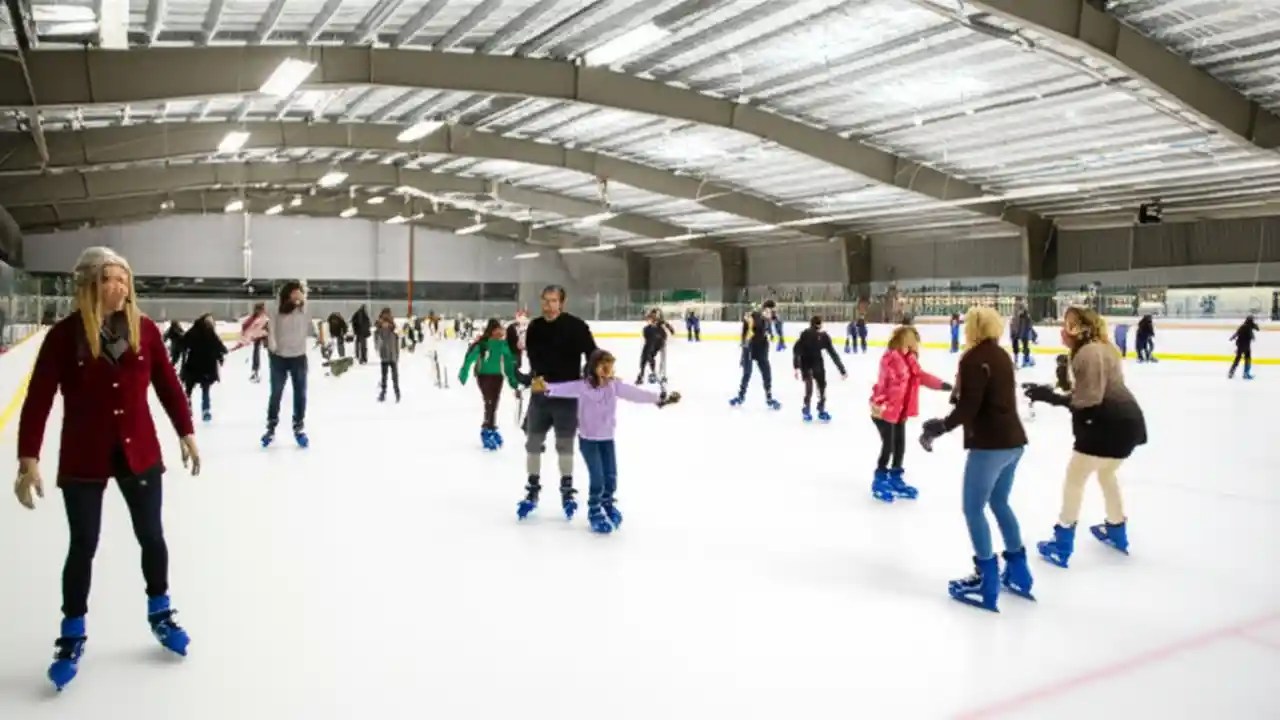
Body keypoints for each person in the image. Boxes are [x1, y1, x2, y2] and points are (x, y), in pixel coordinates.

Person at [14, 246, 201, 691]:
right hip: (85, 456)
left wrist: (186, 431)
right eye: (108, 279)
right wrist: (28, 460)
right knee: (84, 545)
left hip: (140, 453)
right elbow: (38, 400)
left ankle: (160, 610)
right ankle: (72, 632)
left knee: (151, 536)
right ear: (88, 285)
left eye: (123, 279)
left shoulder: (145, 330)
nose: (118, 287)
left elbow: (169, 386)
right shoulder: (64, 336)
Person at [919, 306, 1032, 612]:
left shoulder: (973, 358)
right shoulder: (1001, 354)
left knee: (973, 508)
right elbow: (983, 397)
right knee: (999, 503)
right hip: (1013, 442)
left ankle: (987, 578)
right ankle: (1019, 570)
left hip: (991, 444)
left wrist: (941, 426)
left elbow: (969, 406)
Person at [1025, 307, 1146, 567]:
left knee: (1075, 480)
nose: (1063, 330)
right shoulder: (1104, 348)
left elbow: (1089, 400)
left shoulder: (1088, 352)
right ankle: (1117, 530)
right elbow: (1088, 390)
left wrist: (1052, 398)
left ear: (1082, 329)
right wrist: (1054, 389)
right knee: (1106, 474)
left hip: (1105, 425)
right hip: (1129, 423)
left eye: (1070, 325)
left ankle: (1062, 542)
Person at [532, 349, 680, 533]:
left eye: (610, 366)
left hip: (607, 438)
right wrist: (545, 387)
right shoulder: (583, 386)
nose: (607, 369)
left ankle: (607, 503)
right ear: (593, 367)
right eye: (603, 366)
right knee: (598, 477)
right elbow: (563, 388)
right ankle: (594, 509)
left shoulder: (614, 386)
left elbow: (635, 394)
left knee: (610, 476)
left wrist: (659, 399)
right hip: (589, 440)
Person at [519, 285, 598, 520]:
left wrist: (590, 376)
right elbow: (534, 360)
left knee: (564, 445)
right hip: (540, 395)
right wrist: (527, 377)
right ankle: (532, 488)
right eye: (545, 301)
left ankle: (567, 489)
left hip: (567, 396)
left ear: (562, 303)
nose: (548, 306)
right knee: (533, 443)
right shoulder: (535, 327)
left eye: (553, 301)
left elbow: (592, 354)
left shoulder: (576, 326)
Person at [868, 325, 951, 502]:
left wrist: (942, 385)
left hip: (900, 411)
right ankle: (880, 479)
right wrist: (880, 404)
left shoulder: (910, 360)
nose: (916, 344)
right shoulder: (890, 358)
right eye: (914, 339)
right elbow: (882, 383)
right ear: (906, 339)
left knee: (900, 446)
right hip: (884, 410)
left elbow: (921, 377)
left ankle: (895, 477)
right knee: (888, 446)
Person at [263, 281, 322, 448]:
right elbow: (271, 329)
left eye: (300, 293)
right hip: (279, 358)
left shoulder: (304, 309)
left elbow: (313, 326)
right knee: (276, 392)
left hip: (298, 357)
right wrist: (272, 345)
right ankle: (271, 426)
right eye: (295, 292)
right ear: (287, 294)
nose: (298, 296)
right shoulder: (276, 309)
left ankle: (298, 426)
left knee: (300, 394)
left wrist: (321, 337)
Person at [459, 318, 520, 449]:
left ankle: (491, 428)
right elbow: (470, 357)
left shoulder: (503, 345)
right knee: (489, 402)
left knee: (494, 402)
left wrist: (512, 380)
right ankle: (487, 429)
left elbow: (509, 362)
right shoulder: (483, 344)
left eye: (501, 329)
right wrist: (464, 372)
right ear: (492, 330)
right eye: (499, 329)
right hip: (484, 376)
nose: (501, 331)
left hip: (498, 376)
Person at [792, 315, 847, 423]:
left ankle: (809, 409)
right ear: (820, 325)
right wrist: (842, 369)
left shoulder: (809, 335)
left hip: (810, 364)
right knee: (819, 387)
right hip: (813, 364)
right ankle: (817, 408)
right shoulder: (819, 336)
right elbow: (833, 353)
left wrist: (796, 366)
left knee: (812, 388)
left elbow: (796, 351)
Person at [730, 300, 780, 409]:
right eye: (772, 310)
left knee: (767, 372)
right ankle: (741, 396)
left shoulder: (768, 319)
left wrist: (771, 335)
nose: (774, 313)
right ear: (766, 309)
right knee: (747, 372)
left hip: (761, 349)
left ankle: (769, 397)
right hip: (750, 348)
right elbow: (747, 329)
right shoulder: (755, 316)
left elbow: (771, 327)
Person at [178, 313, 227, 422]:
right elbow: (219, 347)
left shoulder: (194, 331)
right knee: (203, 390)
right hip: (205, 367)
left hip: (194, 367)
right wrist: (221, 356)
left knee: (190, 390)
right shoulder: (209, 333)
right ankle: (204, 410)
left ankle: (188, 409)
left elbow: (184, 343)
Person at [373, 308, 401, 403]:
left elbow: (397, 341)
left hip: (390, 355)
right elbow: (377, 344)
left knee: (391, 376)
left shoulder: (392, 328)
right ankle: (389, 393)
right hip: (388, 355)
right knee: (387, 376)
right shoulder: (380, 330)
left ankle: (394, 393)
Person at [1228, 314, 1259, 380]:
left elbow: (1237, 333)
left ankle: (1231, 372)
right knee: (1247, 359)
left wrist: (1232, 338)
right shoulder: (1248, 326)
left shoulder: (1244, 326)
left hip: (1241, 346)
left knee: (1238, 359)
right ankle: (1245, 373)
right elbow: (1256, 329)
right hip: (1245, 346)